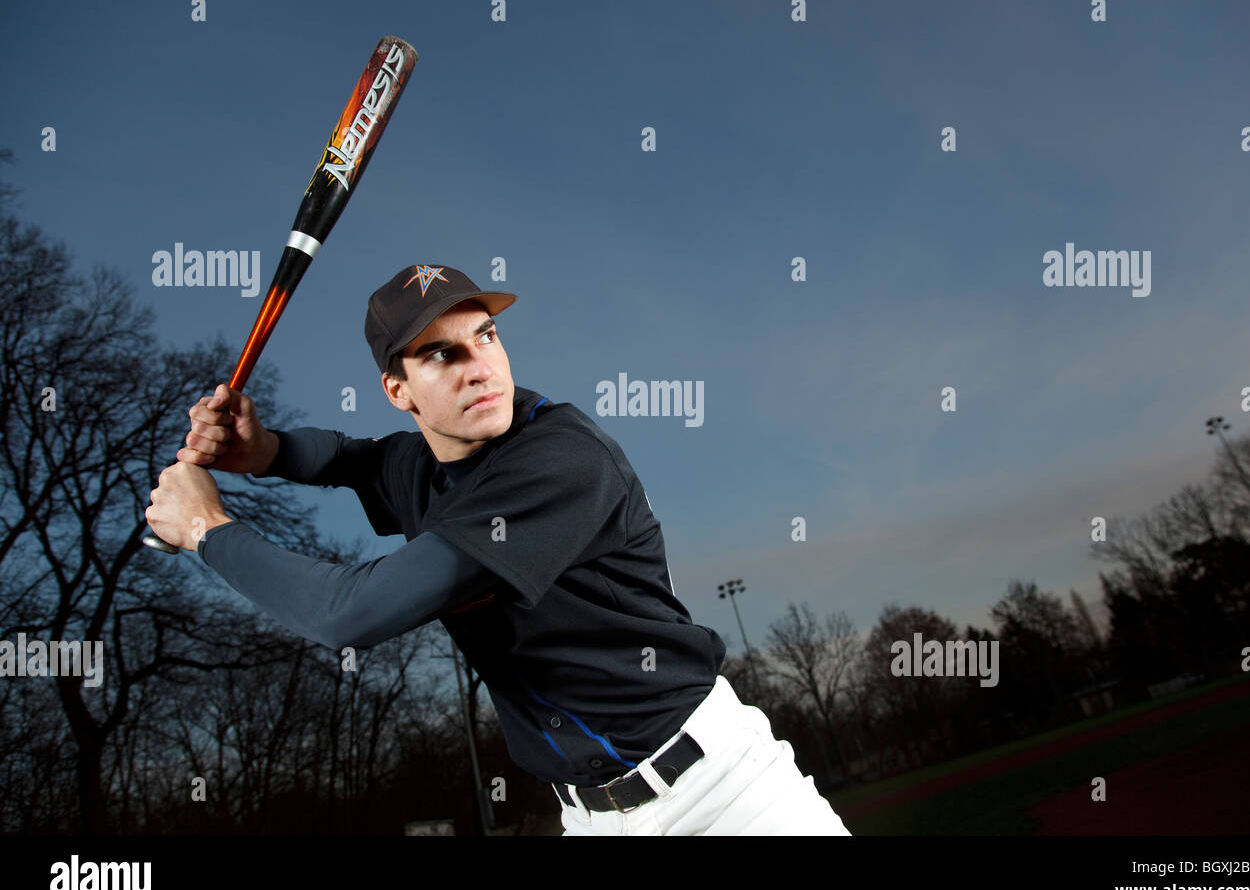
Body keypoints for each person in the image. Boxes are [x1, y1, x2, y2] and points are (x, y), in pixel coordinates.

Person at [146, 263, 850, 835]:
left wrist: (207, 528)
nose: (478, 367)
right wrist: (264, 449)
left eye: (486, 337)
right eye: (441, 355)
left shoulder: (561, 459)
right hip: (592, 819)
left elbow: (349, 613)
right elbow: (351, 457)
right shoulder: (420, 466)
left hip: (726, 796)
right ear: (400, 391)